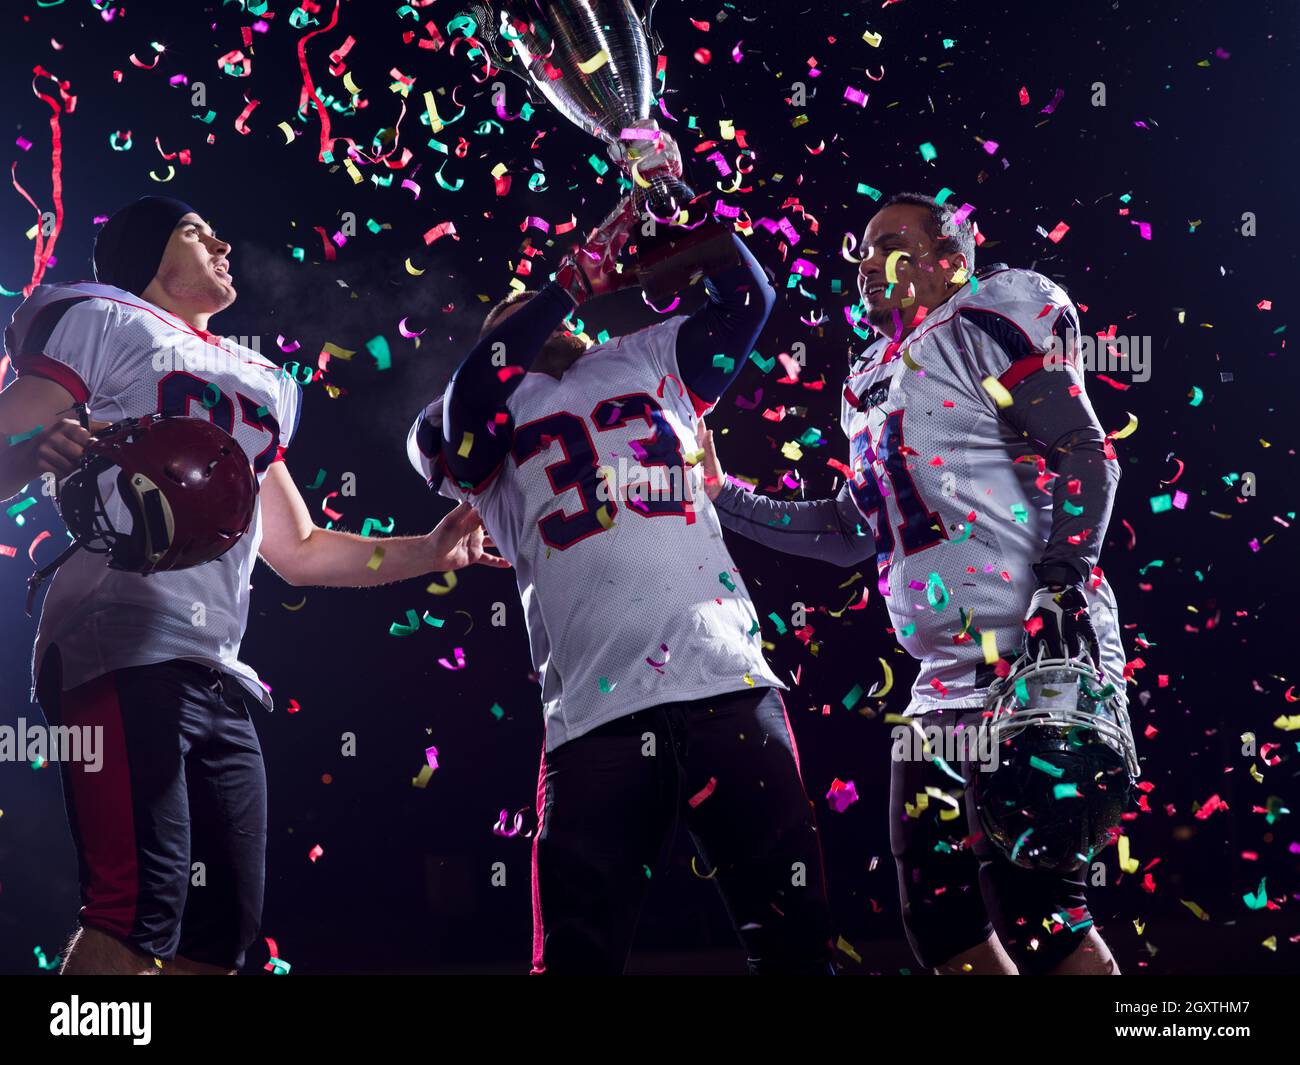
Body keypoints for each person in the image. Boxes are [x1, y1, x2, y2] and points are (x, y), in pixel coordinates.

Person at [0, 195, 507, 975]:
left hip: (217, 666)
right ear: (148, 255)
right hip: (119, 637)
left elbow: (297, 548)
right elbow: (7, 442)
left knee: (220, 936)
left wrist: (430, 551)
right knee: (135, 913)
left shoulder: (261, 380)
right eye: (198, 232)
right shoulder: (103, 319)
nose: (224, 241)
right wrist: (34, 452)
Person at [700, 191, 1127, 975]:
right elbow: (849, 528)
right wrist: (722, 494)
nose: (866, 262)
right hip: (942, 681)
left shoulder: (984, 321)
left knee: (1042, 910)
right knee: (937, 915)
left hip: (1032, 657)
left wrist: (1062, 580)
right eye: (860, 248)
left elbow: (1086, 450)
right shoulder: (867, 379)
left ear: (949, 259)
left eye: (889, 243)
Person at [407, 193, 834, 974]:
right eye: (517, 317)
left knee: (797, 940)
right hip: (597, 714)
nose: (545, 322)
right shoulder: (466, 413)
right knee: (577, 959)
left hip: (727, 679)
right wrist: (564, 284)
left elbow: (750, 296)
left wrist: (681, 213)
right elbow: (468, 412)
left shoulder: (646, 356)